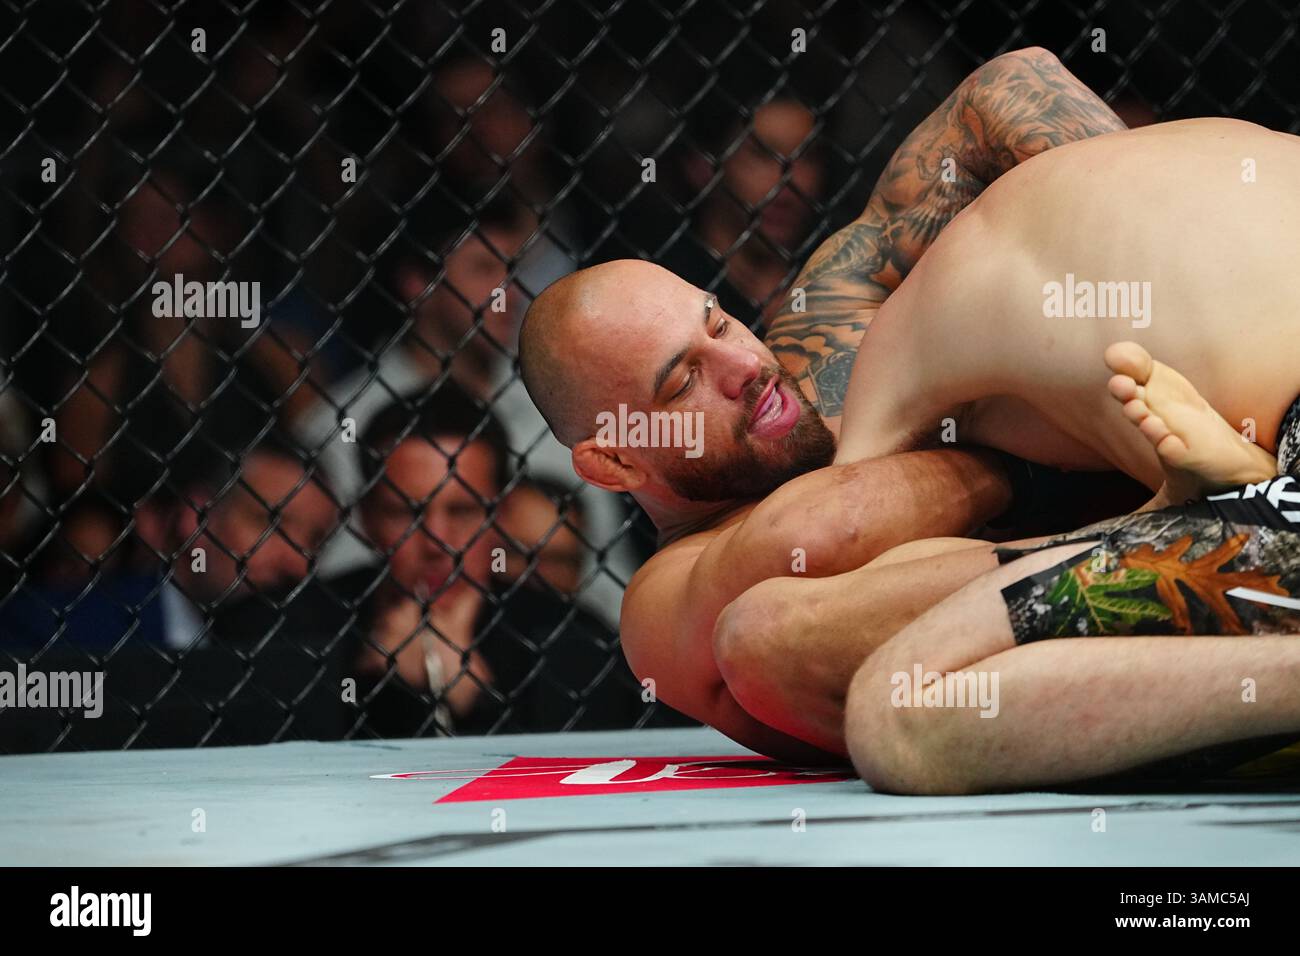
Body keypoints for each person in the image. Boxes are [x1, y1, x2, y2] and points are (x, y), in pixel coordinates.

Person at [519, 47, 1300, 785]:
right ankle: (1188, 517)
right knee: (772, 637)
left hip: (1261, 409)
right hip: (1212, 528)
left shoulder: (824, 331)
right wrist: (1022, 451)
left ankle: (1202, 511)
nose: (746, 368)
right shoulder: (664, 597)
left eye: (719, 323)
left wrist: (1138, 236)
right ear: (612, 461)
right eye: (684, 378)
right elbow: (814, 535)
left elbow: (1007, 87)